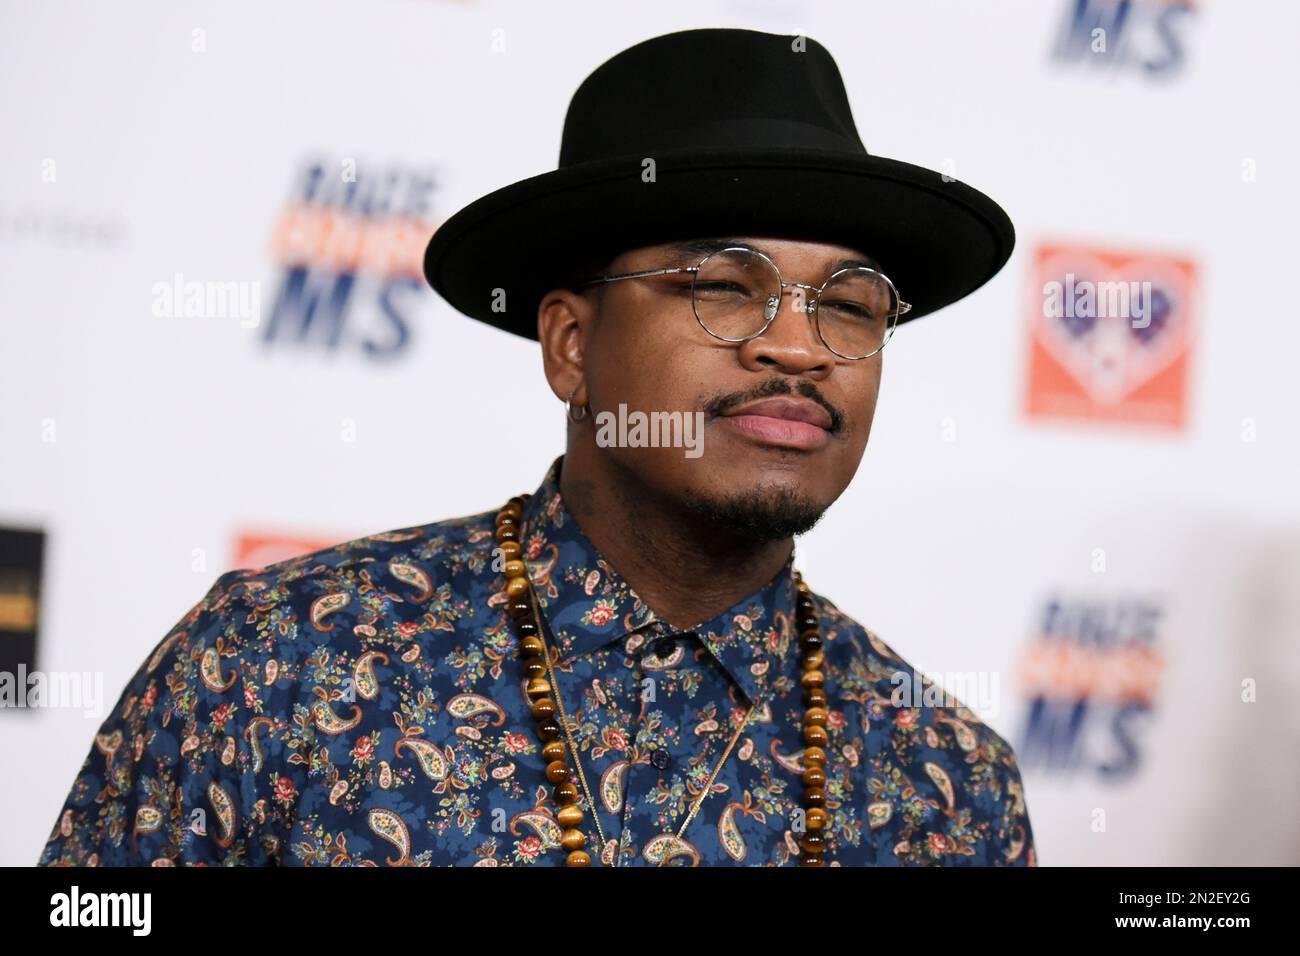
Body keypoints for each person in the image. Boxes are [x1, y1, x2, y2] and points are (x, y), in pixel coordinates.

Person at [39, 27, 1034, 867]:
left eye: (851, 305)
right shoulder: (280, 662)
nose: (797, 345)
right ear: (569, 343)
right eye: (726, 285)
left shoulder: (947, 780)